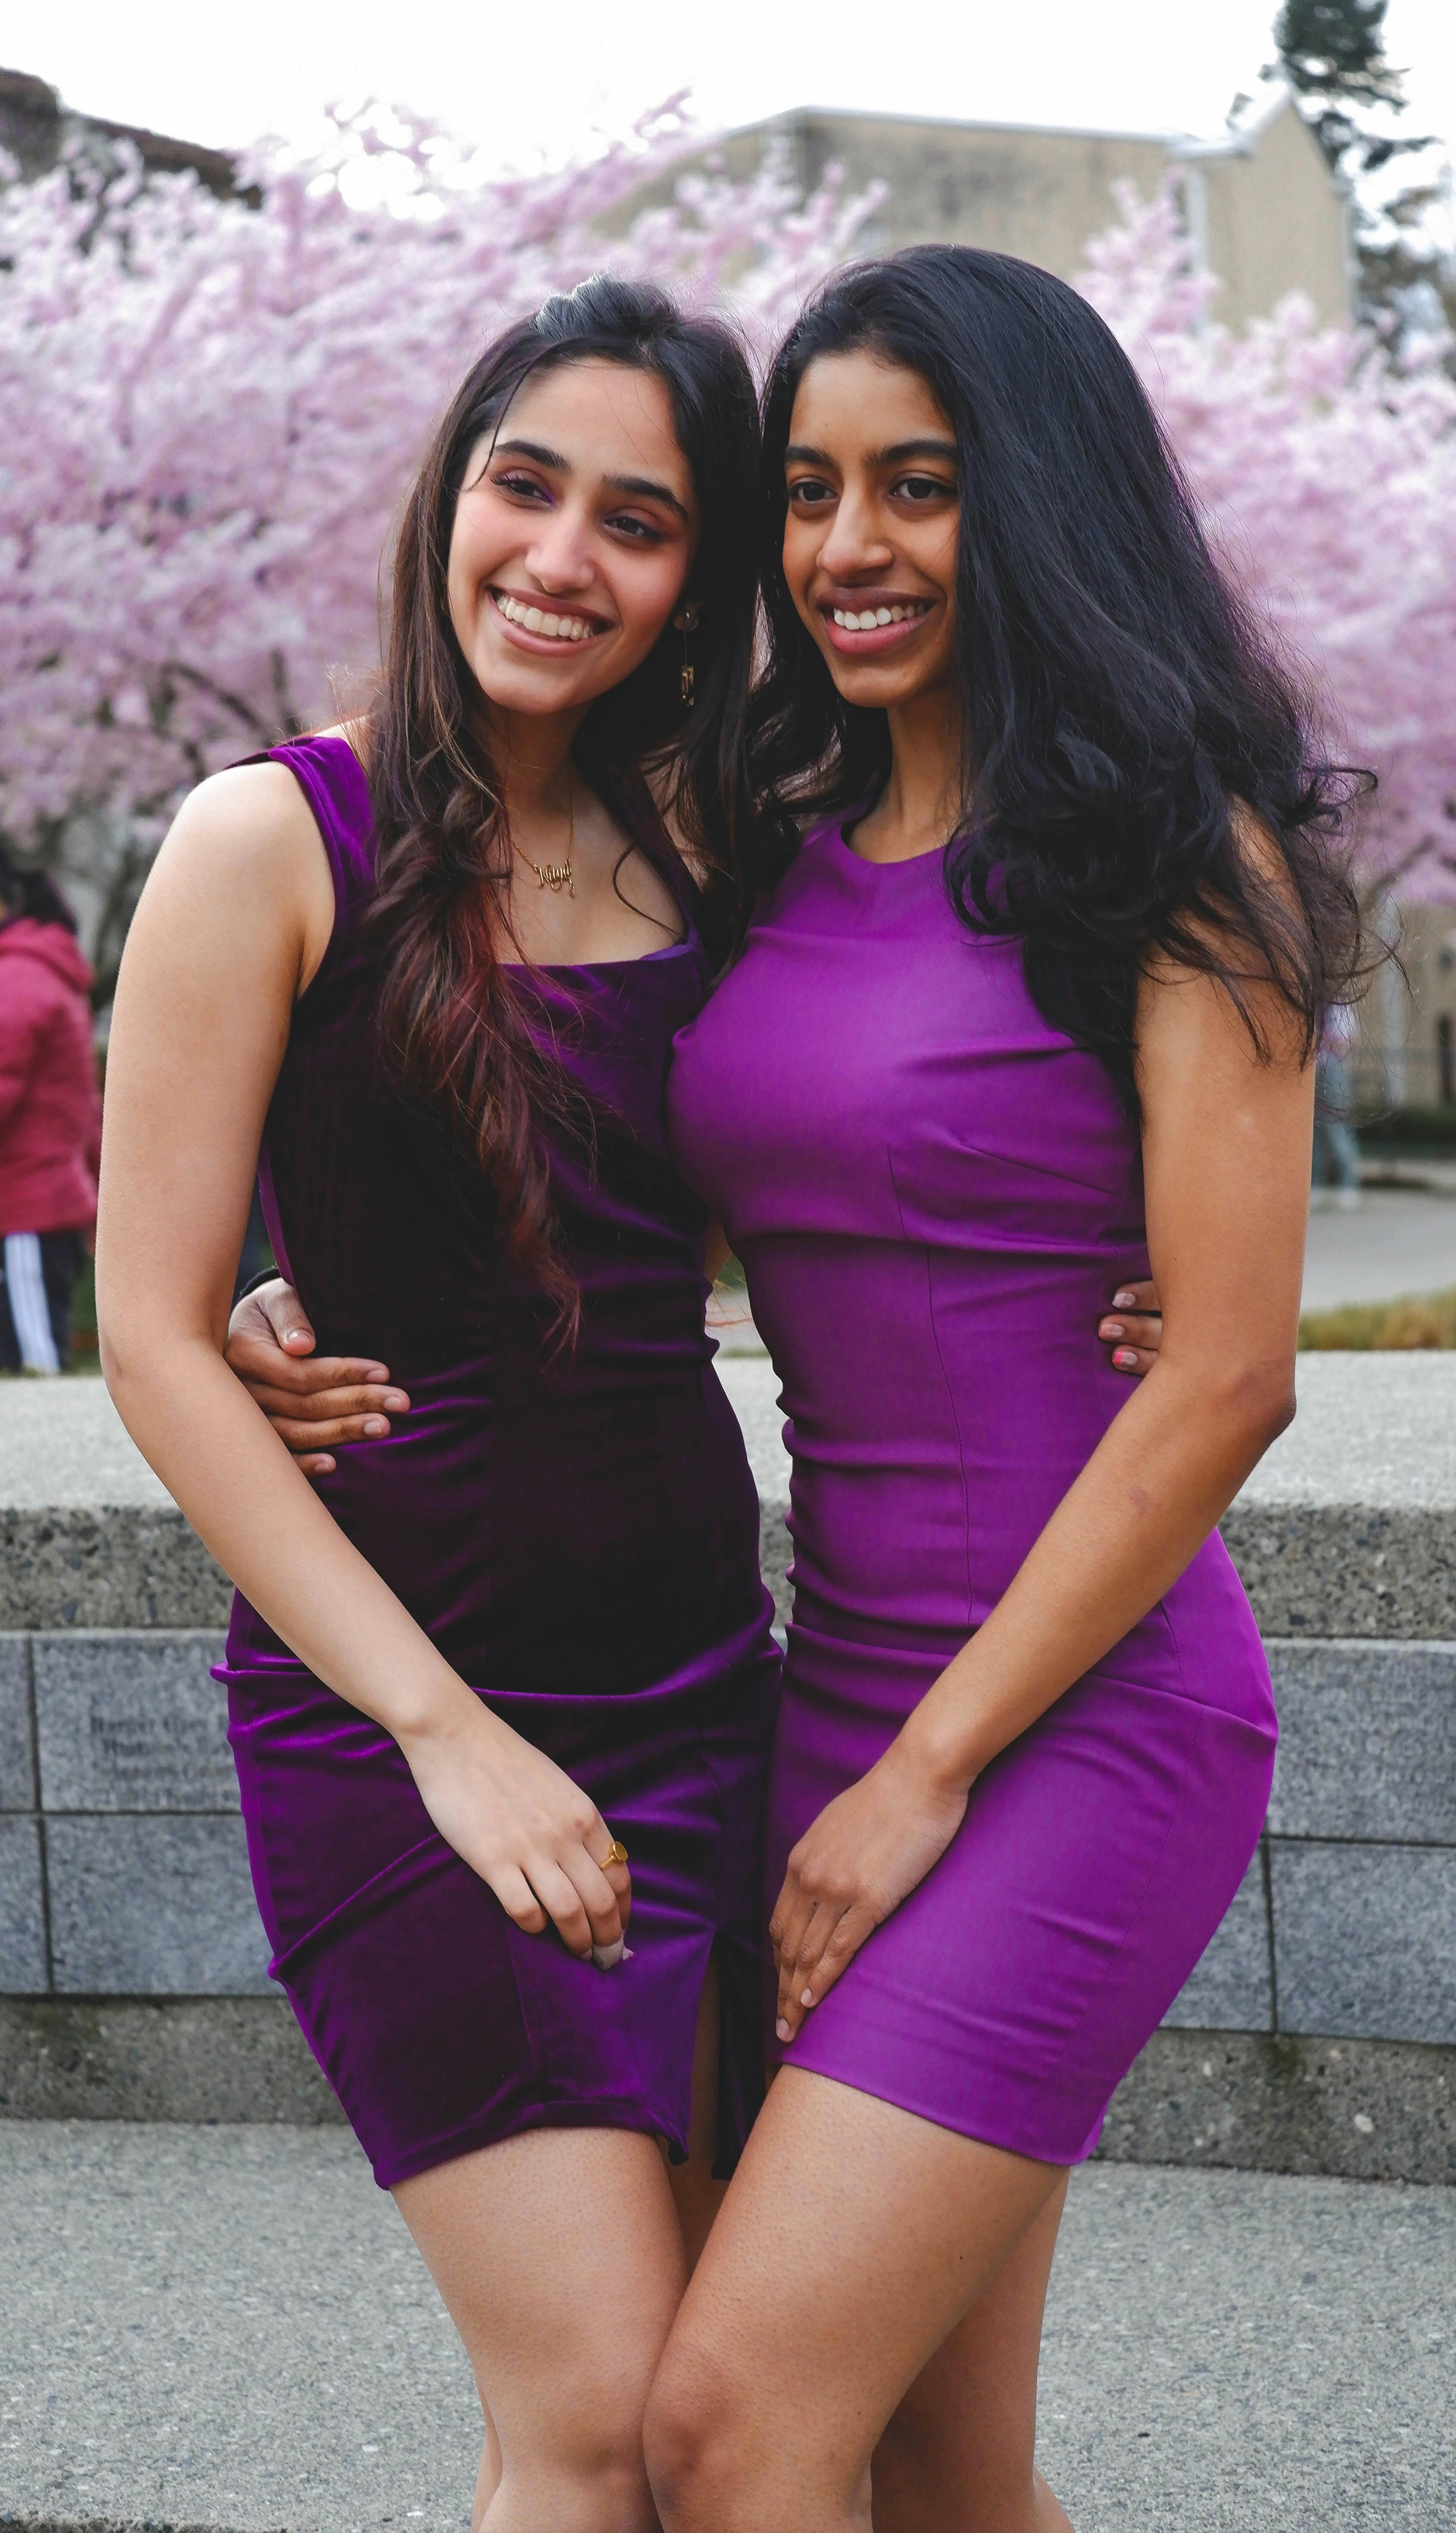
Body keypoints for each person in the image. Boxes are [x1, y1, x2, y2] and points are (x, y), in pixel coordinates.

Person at [643, 248, 1357, 2533]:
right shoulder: (758, 843)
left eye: (919, 487)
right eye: (811, 491)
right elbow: (638, 1181)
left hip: (1082, 1726)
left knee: (731, 2431)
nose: (846, 548)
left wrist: (925, 1777)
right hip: (829, 1688)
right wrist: (286, 1293)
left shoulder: (1175, 866)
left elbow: (1228, 1375)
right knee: (946, 2465)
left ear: (1034, 500)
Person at [96, 279, 784, 2533]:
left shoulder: (706, 862)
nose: (565, 555)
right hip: (409, 1725)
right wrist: (440, 1731)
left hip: (715, 1702)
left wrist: (1141, 1282)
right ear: (449, 491)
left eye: (643, 520)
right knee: (591, 2416)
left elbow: (849, 1187)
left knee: (715, 2423)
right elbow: (158, 1333)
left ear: (704, 583)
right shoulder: (261, 838)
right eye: (527, 483)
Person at [0, 844, 102, 1374]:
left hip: (24, 1210)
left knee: (36, 1379)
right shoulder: (43, 972)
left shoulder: (18, 978)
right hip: (44, 1204)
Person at [1310, 1001, 1362, 1208]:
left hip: (1332, 1068)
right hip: (1313, 1067)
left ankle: (1347, 1185)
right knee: (1313, 1129)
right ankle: (1316, 1184)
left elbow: (1344, 1041)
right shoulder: (1312, 1003)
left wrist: (1321, 1040)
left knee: (1336, 1126)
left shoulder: (1338, 1006)